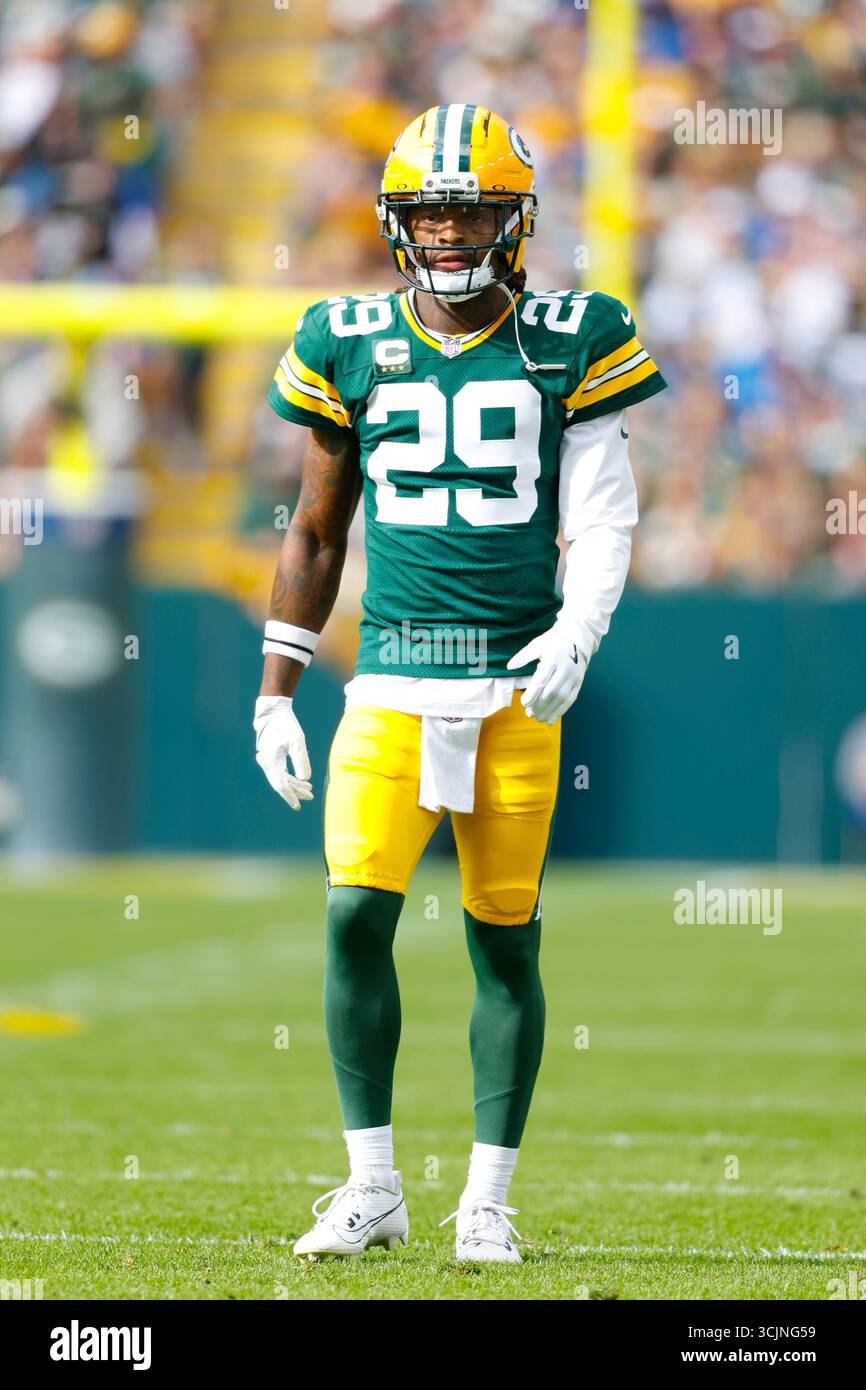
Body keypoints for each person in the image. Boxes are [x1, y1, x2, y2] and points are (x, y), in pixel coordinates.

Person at [254, 104, 667, 1263]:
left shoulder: (570, 334)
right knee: (350, 917)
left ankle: (485, 1196)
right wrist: (275, 689)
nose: (444, 232)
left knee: (504, 941)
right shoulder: (347, 338)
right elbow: (314, 531)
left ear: (515, 216)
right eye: (427, 211)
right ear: (395, 220)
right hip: (387, 681)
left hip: (513, 688)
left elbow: (599, 512)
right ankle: (371, 1185)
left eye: (468, 208)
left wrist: (577, 632)